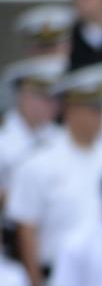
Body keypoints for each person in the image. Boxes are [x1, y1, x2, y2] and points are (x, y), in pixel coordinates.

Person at [6, 64, 102, 286]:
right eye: (92, 109)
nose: (100, 117)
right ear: (71, 110)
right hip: (58, 275)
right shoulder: (38, 163)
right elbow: (27, 229)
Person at [0, 57, 65, 215]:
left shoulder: (61, 136)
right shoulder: (3, 140)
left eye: (56, 98)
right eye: (45, 97)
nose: (53, 104)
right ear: (24, 97)